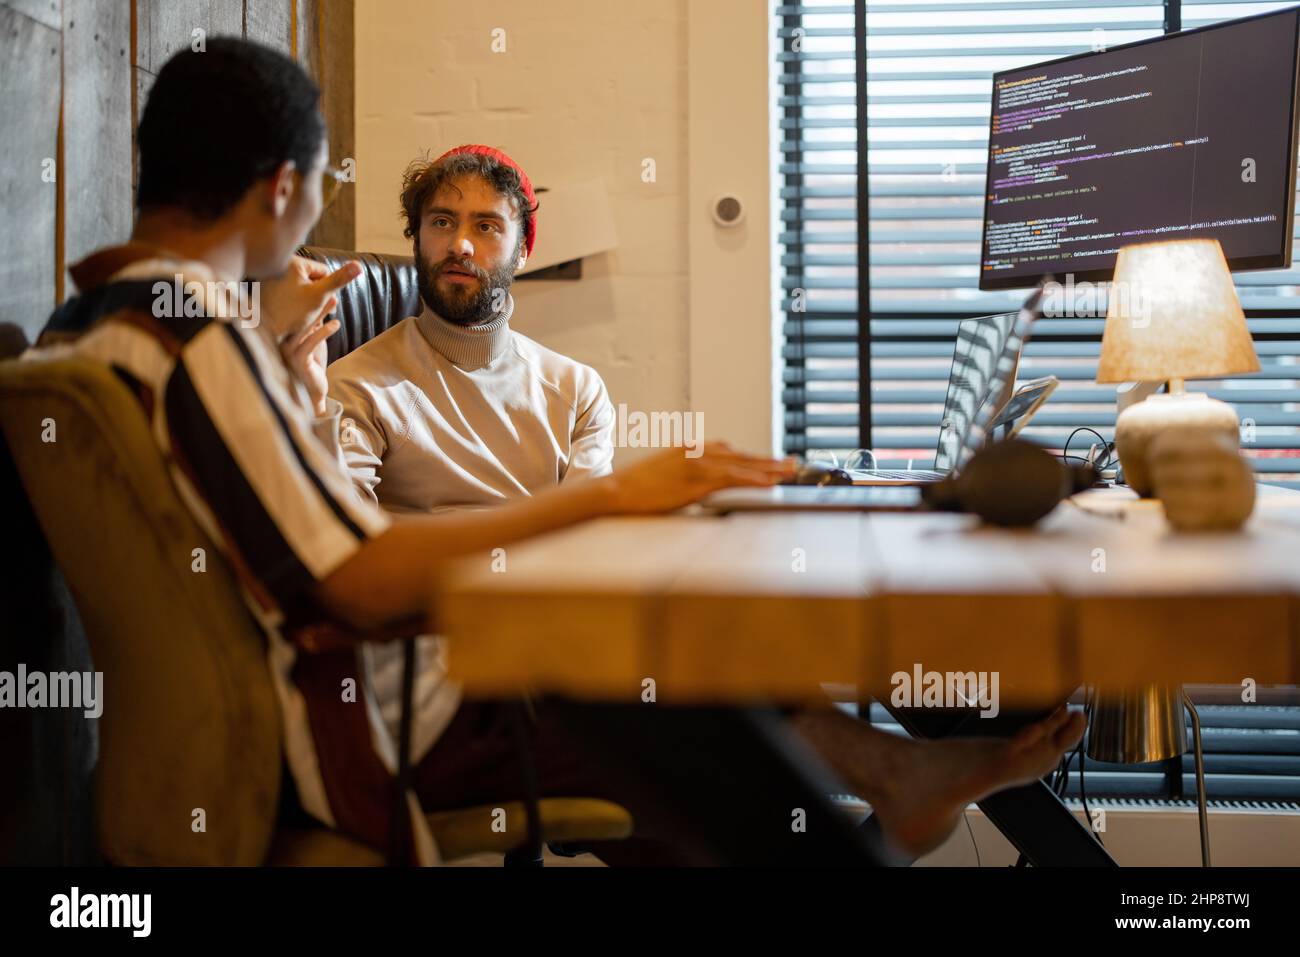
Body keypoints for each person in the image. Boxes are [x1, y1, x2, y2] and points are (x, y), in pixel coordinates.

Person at [33, 37, 1083, 865]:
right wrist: (619, 495)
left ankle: (895, 785)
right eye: (314, 191)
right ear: (277, 190)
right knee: (678, 675)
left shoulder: (97, 328)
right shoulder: (205, 346)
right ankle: (894, 797)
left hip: (329, 704)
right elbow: (356, 578)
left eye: (484, 226)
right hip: (369, 724)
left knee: (686, 668)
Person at [324, 145, 614, 513]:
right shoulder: (355, 385)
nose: (460, 245)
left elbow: (586, 539)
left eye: (486, 226)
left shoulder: (578, 393)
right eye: (442, 222)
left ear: (522, 251)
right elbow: (343, 536)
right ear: (417, 237)